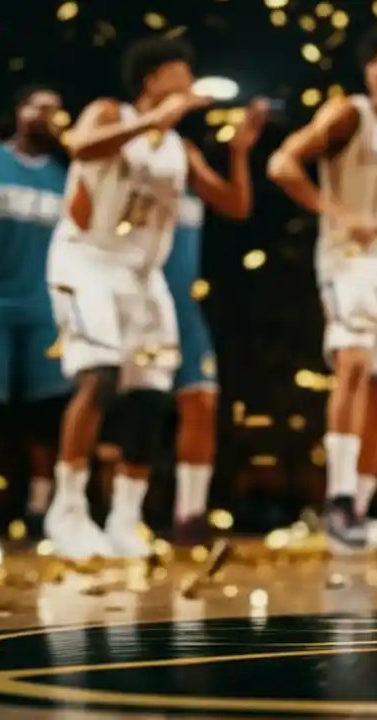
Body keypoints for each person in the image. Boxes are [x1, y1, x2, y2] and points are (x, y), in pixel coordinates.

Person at [47, 36, 266, 559]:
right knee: (99, 377)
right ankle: (68, 509)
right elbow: (78, 146)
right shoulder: (109, 112)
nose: (189, 81)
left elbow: (234, 205)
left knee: (149, 396)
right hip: (87, 262)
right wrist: (156, 118)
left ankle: (125, 517)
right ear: (151, 78)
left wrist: (238, 152)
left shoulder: (180, 149)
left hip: (143, 279)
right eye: (178, 71)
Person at [268, 25, 377, 552]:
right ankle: (337, 498)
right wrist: (336, 214)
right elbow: (282, 163)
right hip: (352, 259)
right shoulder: (349, 113)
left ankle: (360, 508)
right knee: (354, 365)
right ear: (371, 69)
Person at [0, 86, 71, 545]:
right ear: (18, 111)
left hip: (45, 307)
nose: (44, 115)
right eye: (36, 106)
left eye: (54, 108)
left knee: (47, 414)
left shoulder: (66, 177)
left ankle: (41, 512)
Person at [165, 192, 217, 546]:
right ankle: (115, 512)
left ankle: (189, 515)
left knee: (203, 400)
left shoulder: (188, 158)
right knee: (132, 405)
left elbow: (237, 204)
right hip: (131, 293)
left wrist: (239, 153)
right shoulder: (125, 153)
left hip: (185, 309)